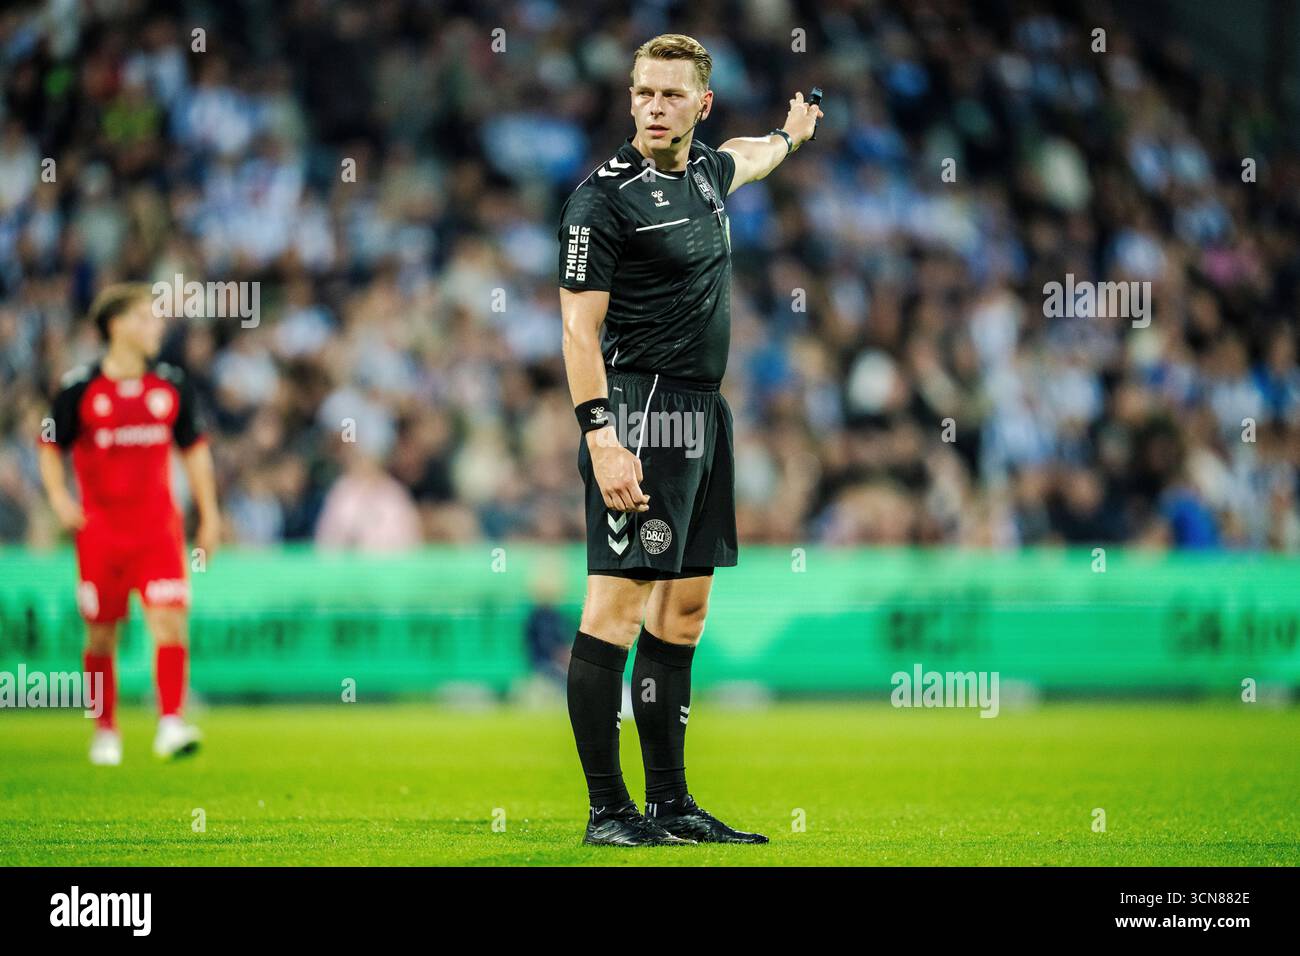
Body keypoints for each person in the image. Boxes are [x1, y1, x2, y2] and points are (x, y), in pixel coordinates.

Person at [557, 33, 823, 846]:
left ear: (699, 104)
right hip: (639, 414)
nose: (654, 106)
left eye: (671, 95)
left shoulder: (706, 171)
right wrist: (602, 437)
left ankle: (671, 805)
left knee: (685, 615)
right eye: (643, 92)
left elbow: (748, 156)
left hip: (706, 416)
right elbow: (576, 327)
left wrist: (789, 136)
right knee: (616, 609)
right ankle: (609, 811)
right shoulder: (602, 200)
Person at [37, 283, 220, 765]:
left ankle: (170, 722)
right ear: (116, 326)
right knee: (101, 634)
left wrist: (211, 514)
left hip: (158, 529)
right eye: (145, 317)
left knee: (169, 620)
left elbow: (195, 451)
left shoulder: (171, 384)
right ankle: (105, 729)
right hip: (101, 534)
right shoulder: (79, 387)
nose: (156, 326)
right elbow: (49, 445)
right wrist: (58, 497)